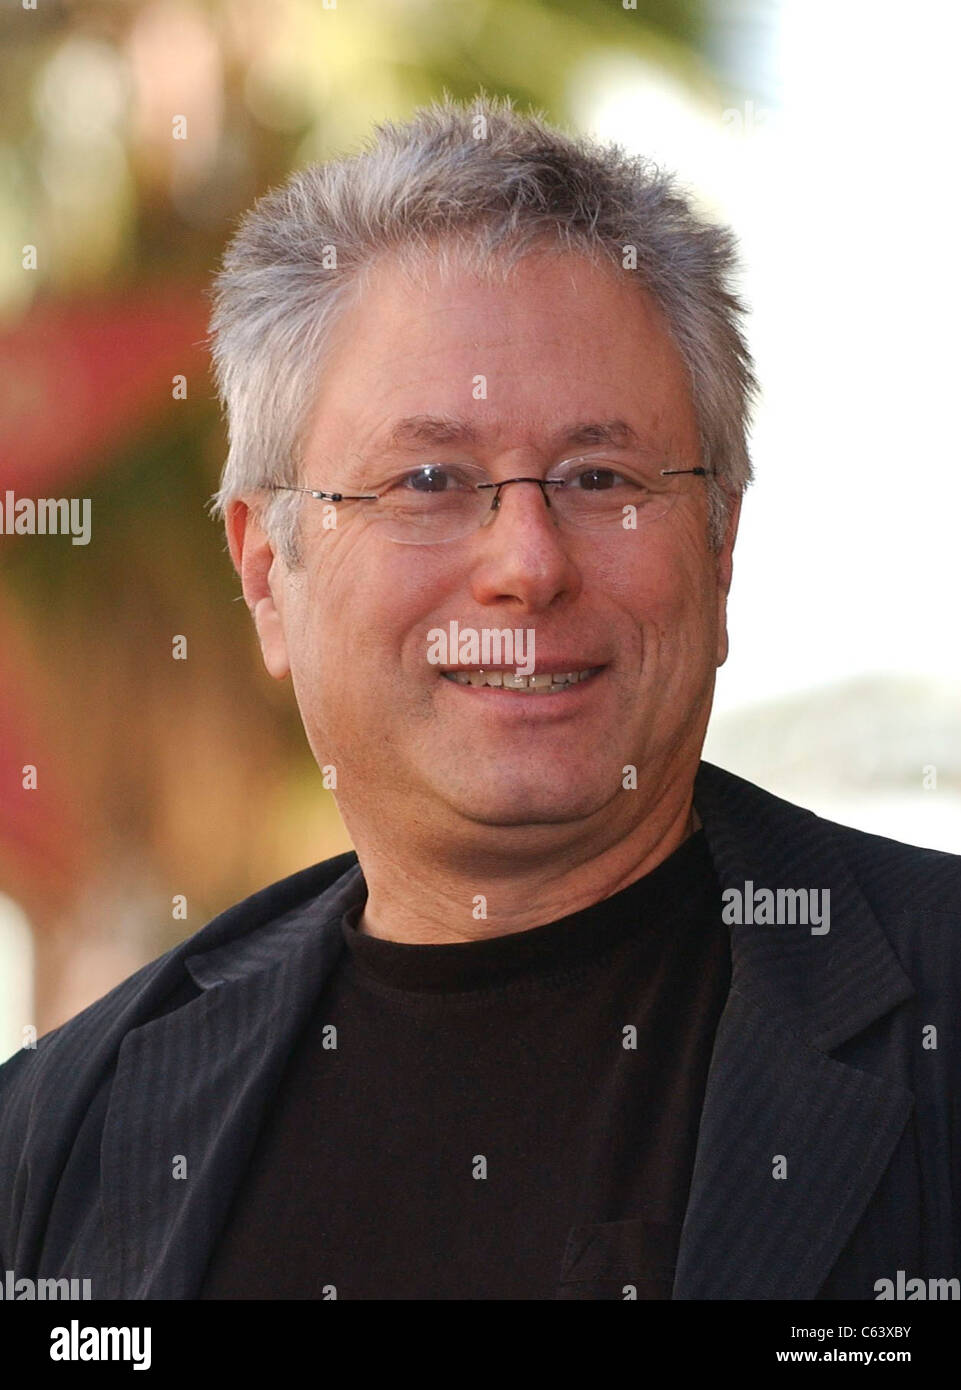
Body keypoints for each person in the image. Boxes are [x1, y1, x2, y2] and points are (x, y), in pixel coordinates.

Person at [1, 95, 958, 1302]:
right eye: (431, 478)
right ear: (266, 576)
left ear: (719, 552)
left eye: (600, 475)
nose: (527, 561)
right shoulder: (55, 1140)